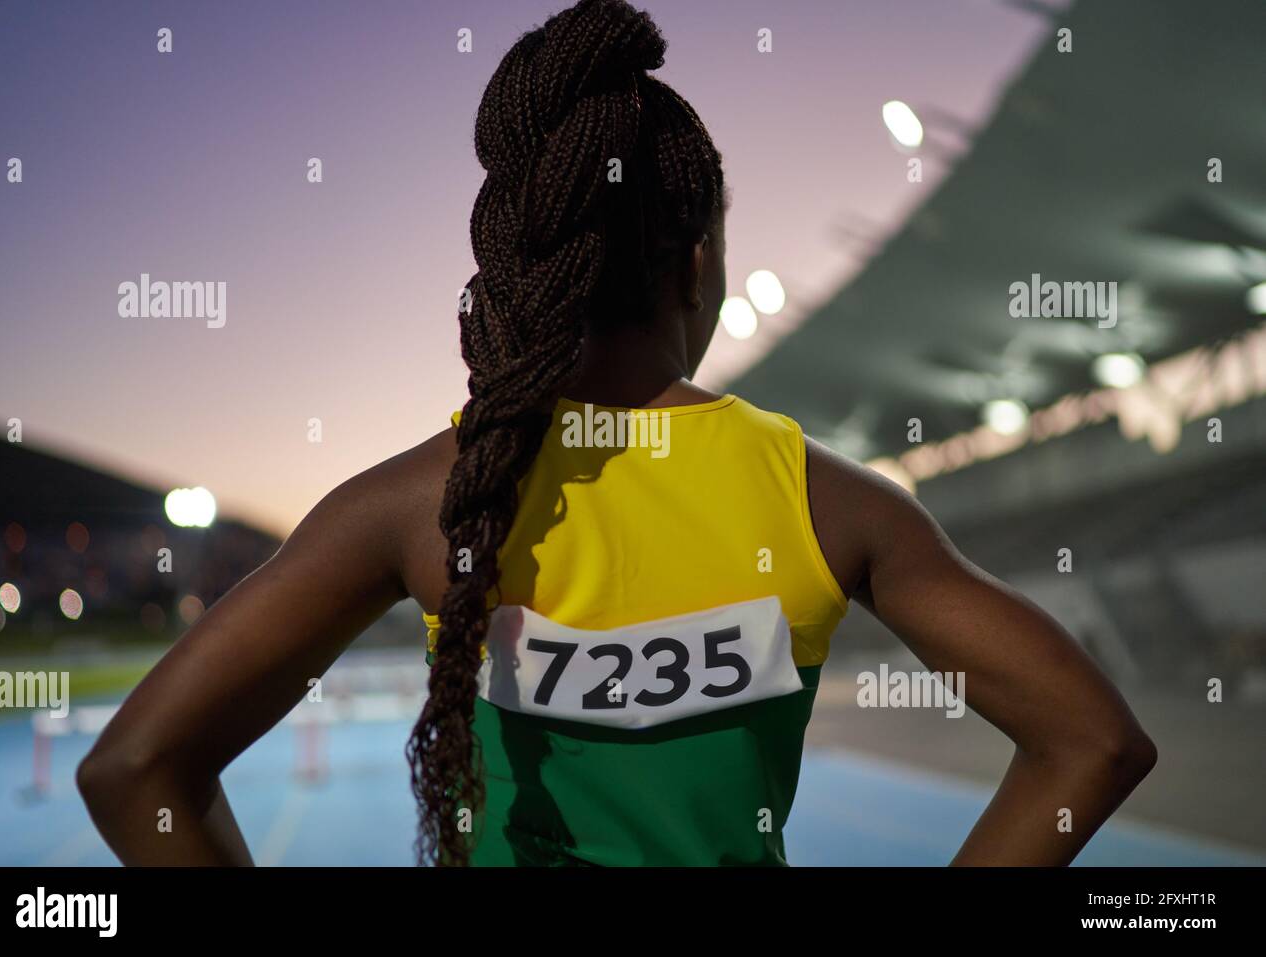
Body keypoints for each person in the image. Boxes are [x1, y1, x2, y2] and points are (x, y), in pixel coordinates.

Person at [77, 0, 1155, 867]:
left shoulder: (415, 501)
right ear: (697, 262)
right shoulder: (831, 500)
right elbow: (1094, 743)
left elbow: (134, 770)